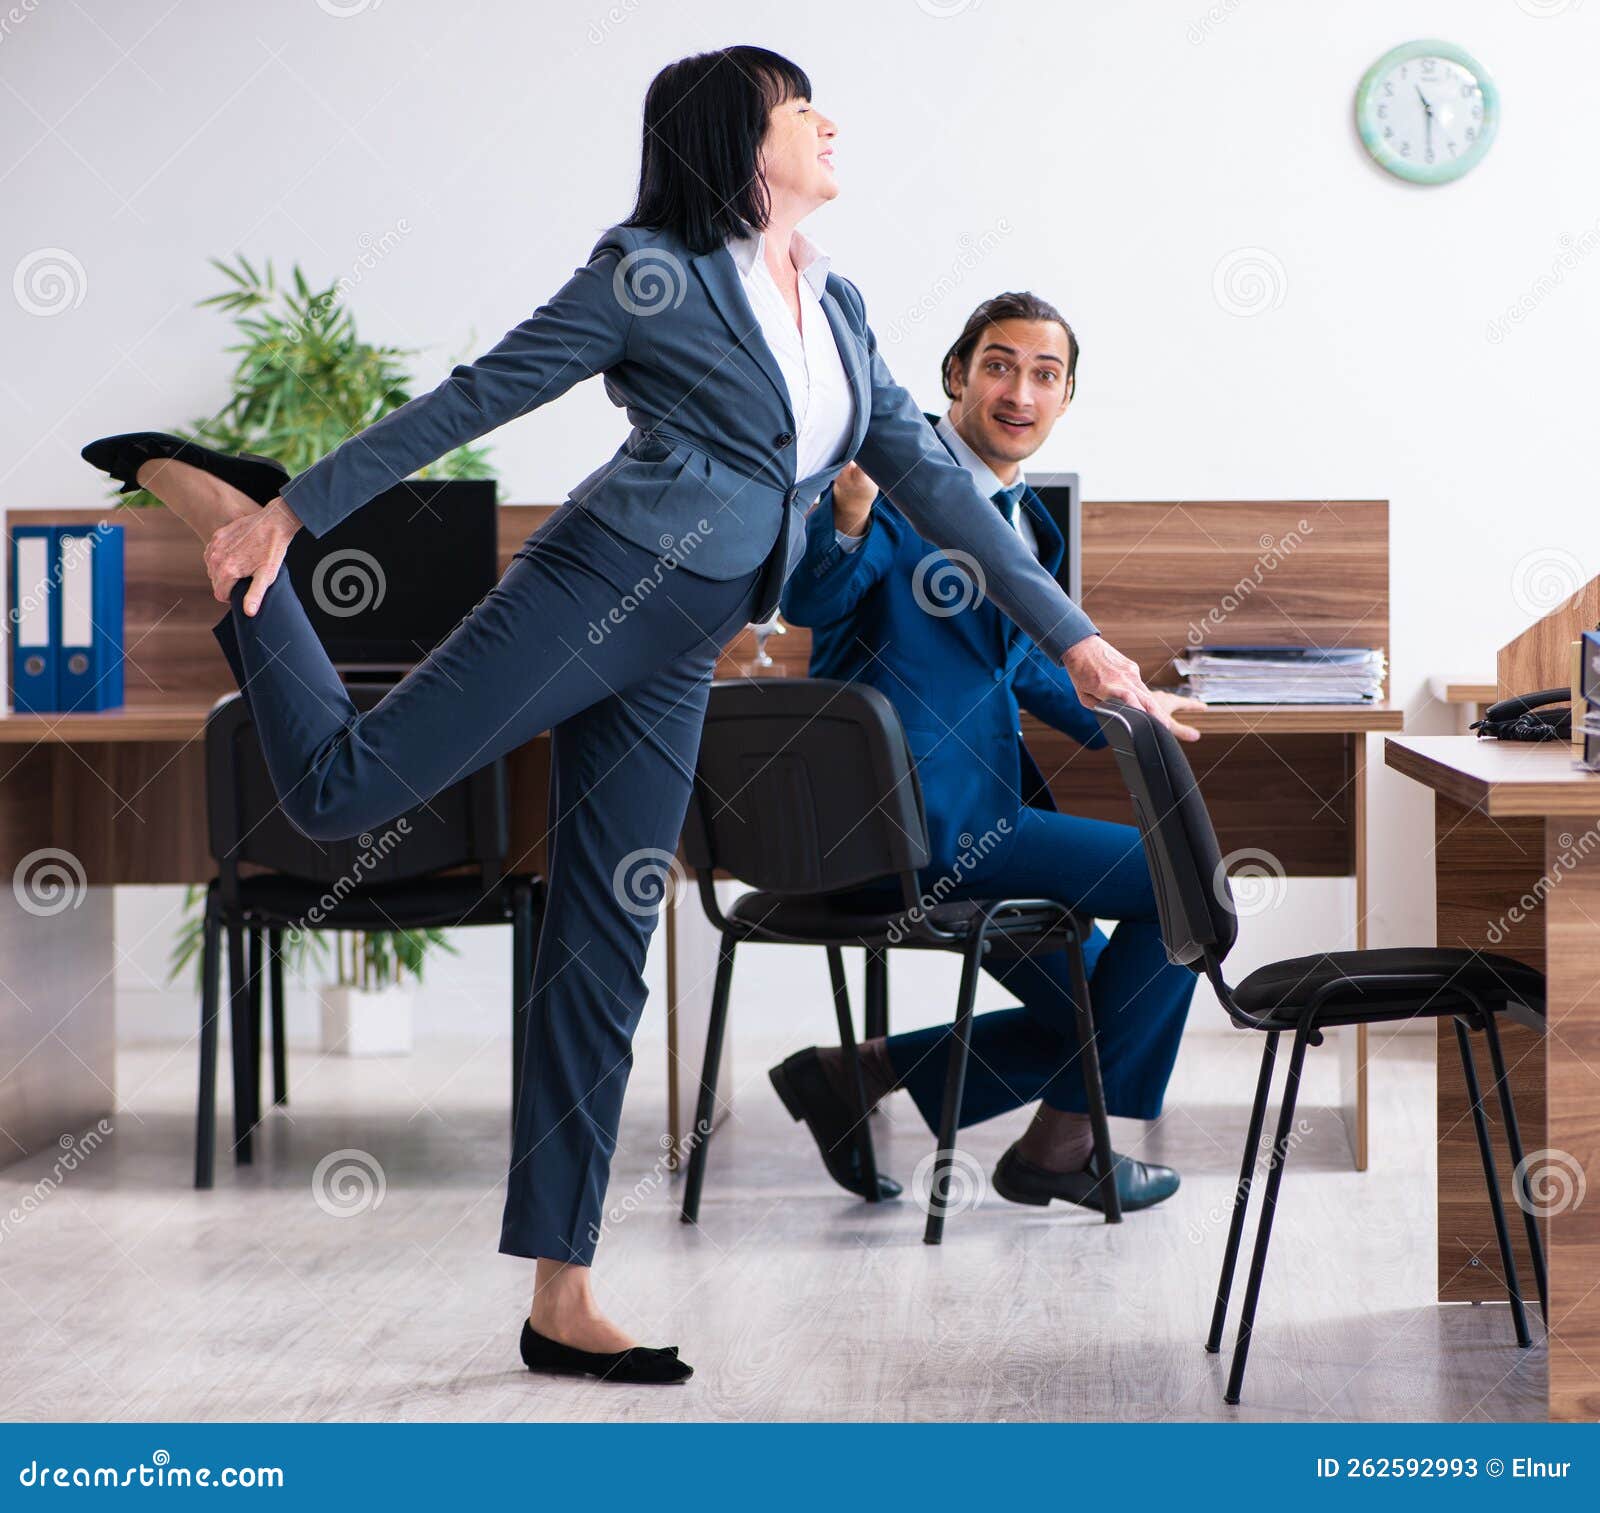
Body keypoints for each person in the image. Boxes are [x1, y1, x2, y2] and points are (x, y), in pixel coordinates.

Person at [81, 48, 1198, 1384]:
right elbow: (476, 394)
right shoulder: (647, 273)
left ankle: (562, 1294)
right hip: (602, 582)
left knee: (603, 942)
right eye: (800, 109)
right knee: (335, 792)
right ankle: (220, 514)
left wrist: (1078, 642)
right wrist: (289, 511)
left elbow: (943, 490)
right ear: (741, 142)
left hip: (685, 636)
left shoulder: (834, 307)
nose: (828, 122)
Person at [772, 292, 1202, 1215]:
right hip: (913, 825)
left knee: (1102, 1007)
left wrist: (1130, 710)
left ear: (1067, 397)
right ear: (956, 377)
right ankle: (1059, 1148)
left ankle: (860, 1073)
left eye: (1046, 375)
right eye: (1000, 365)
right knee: (1186, 884)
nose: (1021, 391)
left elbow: (1026, 671)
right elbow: (812, 601)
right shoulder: (894, 478)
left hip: (974, 822)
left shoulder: (1023, 522)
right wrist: (848, 510)